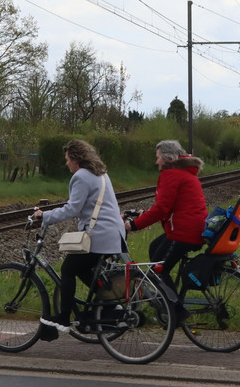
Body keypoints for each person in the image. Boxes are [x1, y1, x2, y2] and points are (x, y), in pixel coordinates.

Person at [32, 139, 125, 335]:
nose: (66, 163)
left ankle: (64, 318)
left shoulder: (81, 177)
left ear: (75, 159)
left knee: (68, 268)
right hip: (113, 234)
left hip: (99, 235)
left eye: (67, 159)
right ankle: (109, 303)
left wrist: (44, 216)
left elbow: (72, 209)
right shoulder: (100, 173)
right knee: (82, 268)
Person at [124, 139, 208, 287]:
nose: (157, 162)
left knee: (157, 270)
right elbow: (171, 206)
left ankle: (174, 309)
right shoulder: (185, 173)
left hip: (183, 232)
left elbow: (162, 208)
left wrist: (134, 225)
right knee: (154, 248)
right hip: (194, 229)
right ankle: (164, 301)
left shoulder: (172, 174)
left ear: (168, 158)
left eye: (158, 157)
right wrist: (145, 213)